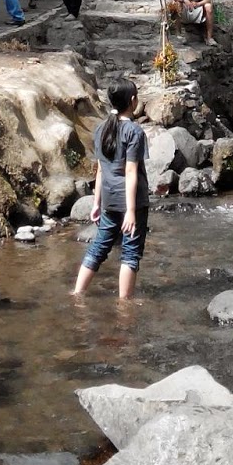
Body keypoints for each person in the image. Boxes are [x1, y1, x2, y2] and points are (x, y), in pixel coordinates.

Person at [73, 78, 149, 300]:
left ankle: (77, 293)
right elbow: (131, 172)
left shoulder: (100, 129)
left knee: (99, 248)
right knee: (130, 254)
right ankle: (124, 304)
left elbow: (100, 170)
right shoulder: (134, 132)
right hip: (132, 202)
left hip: (108, 199)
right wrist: (131, 211)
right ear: (133, 101)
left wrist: (97, 203)